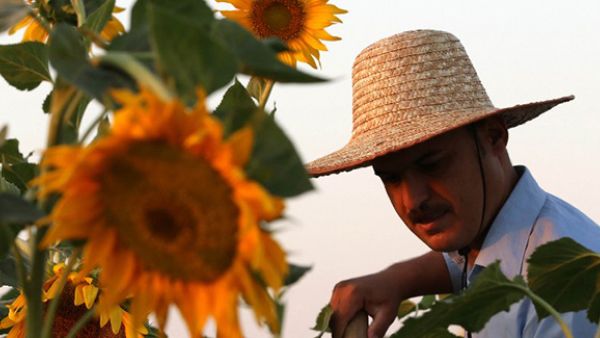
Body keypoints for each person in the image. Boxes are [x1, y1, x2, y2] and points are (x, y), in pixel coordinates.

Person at [306, 30, 600, 338]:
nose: (412, 200)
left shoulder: (568, 296)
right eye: (391, 178)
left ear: (493, 137)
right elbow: (470, 261)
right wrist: (395, 279)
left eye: (432, 164)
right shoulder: (496, 235)